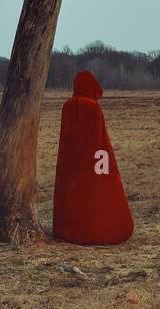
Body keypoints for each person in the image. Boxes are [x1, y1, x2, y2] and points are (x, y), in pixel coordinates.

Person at [52, 70, 133, 245]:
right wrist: (103, 167)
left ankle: (69, 231)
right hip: (94, 163)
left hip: (71, 164)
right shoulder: (93, 107)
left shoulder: (67, 106)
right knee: (95, 195)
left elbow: (67, 139)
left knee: (74, 196)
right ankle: (97, 231)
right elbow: (99, 140)